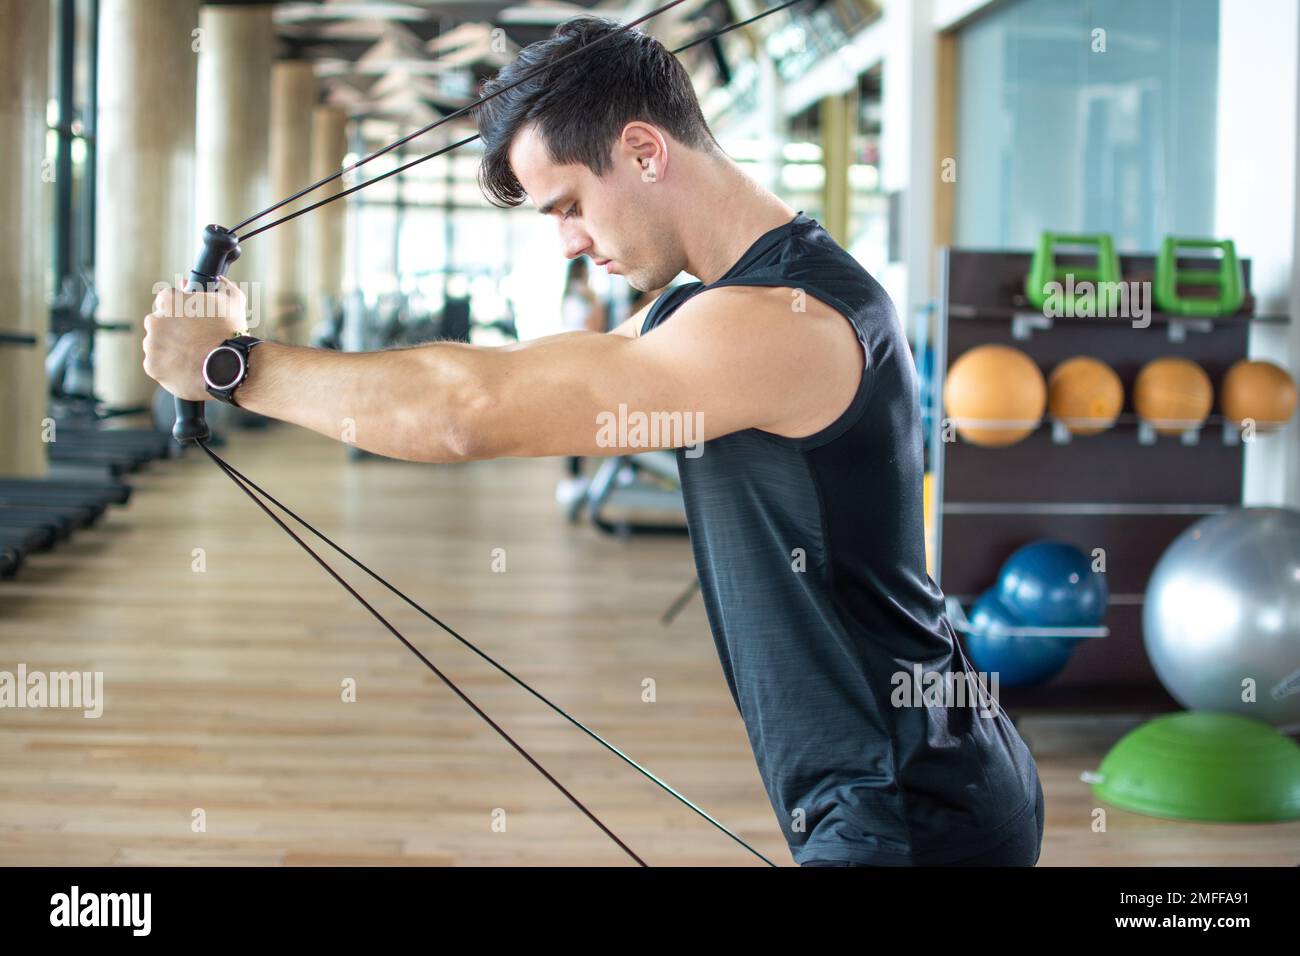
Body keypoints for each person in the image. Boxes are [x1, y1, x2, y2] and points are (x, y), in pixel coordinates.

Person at [143, 17, 1043, 867]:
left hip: (912, 809)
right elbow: (512, 372)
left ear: (644, 150)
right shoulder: (720, 303)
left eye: (570, 205)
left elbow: (468, 411)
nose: (570, 242)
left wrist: (232, 367)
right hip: (896, 781)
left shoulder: (784, 322)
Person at [556, 257, 607, 506]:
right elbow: (594, 327)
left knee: (574, 421)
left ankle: (572, 479)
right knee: (582, 422)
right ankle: (574, 479)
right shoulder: (585, 296)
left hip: (569, 360)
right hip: (583, 362)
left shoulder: (567, 296)